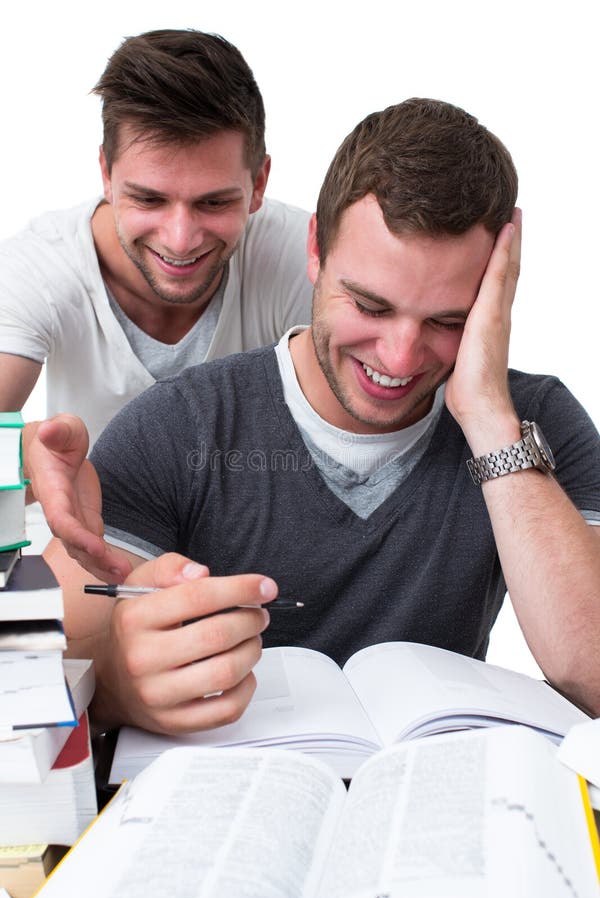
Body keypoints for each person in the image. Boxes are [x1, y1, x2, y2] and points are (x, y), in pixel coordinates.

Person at [27, 98, 600, 737]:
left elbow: (593, 672)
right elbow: (38, 674)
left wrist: (490, 416)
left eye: (448, 321)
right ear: (316, 253)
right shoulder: (178, 425)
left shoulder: (537, 425)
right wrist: (115, 685)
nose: (400, 356)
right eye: (370, 305)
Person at [0, 29, 311, 447]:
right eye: (149, 199)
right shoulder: (37, 271)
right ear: (107, 175)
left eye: (213, 203)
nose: (180, 241)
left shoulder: (307, 257)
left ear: (258, 184)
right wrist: (27, 467)